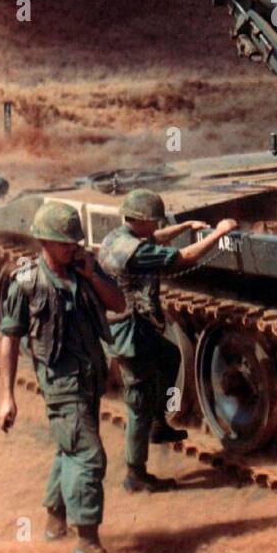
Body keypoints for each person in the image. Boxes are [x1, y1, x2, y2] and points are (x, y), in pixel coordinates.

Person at [0, 200, 126, 553]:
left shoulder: (85, 270)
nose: (75, 247)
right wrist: (7, 397)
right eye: (66, 242)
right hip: (60, 385)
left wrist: (91, 276)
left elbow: (117, 303)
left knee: (68, 447)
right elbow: (9, 338)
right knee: (89, 457)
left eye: (76, 241)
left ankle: (55, 522)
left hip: (89, 379)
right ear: (45, 242)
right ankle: (87, 544)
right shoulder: (27, 283)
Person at [98, 189, 237, 493]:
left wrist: (186, 227)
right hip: (128, 333)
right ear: (144, 221)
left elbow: (156, 237)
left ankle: (159, 424)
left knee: (171, 357)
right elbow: (185, 256)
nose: (157, 225)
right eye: (154, 220)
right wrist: (221, 233)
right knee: (138, 402)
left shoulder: (117, 238)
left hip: (138, 326)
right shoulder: (136, 252)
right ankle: (135, 473)